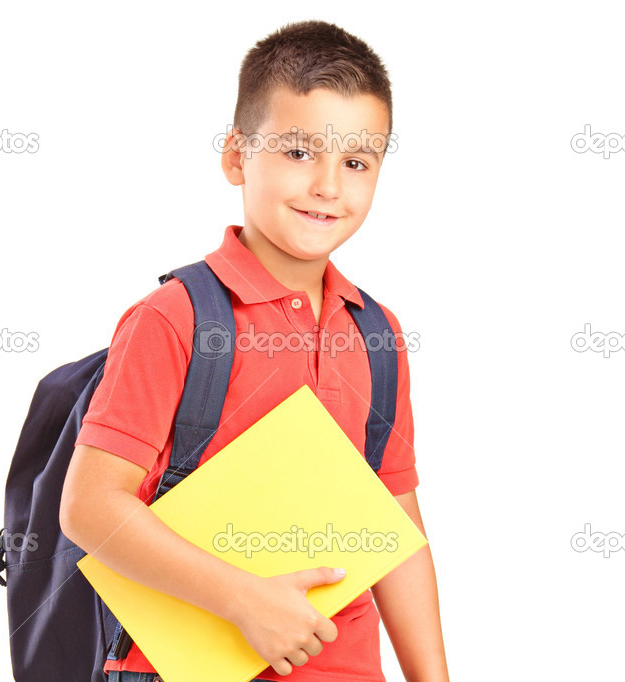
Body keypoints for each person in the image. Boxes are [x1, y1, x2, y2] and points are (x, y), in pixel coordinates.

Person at [60, 19, 449, 682]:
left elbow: (395, 530)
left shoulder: (376, 334)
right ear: (237, 156)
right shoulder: (175, 318)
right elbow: (89, 508)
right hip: (174, 668)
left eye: (355, 161)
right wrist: (244, 601)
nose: (328, 185)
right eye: (299, 152)